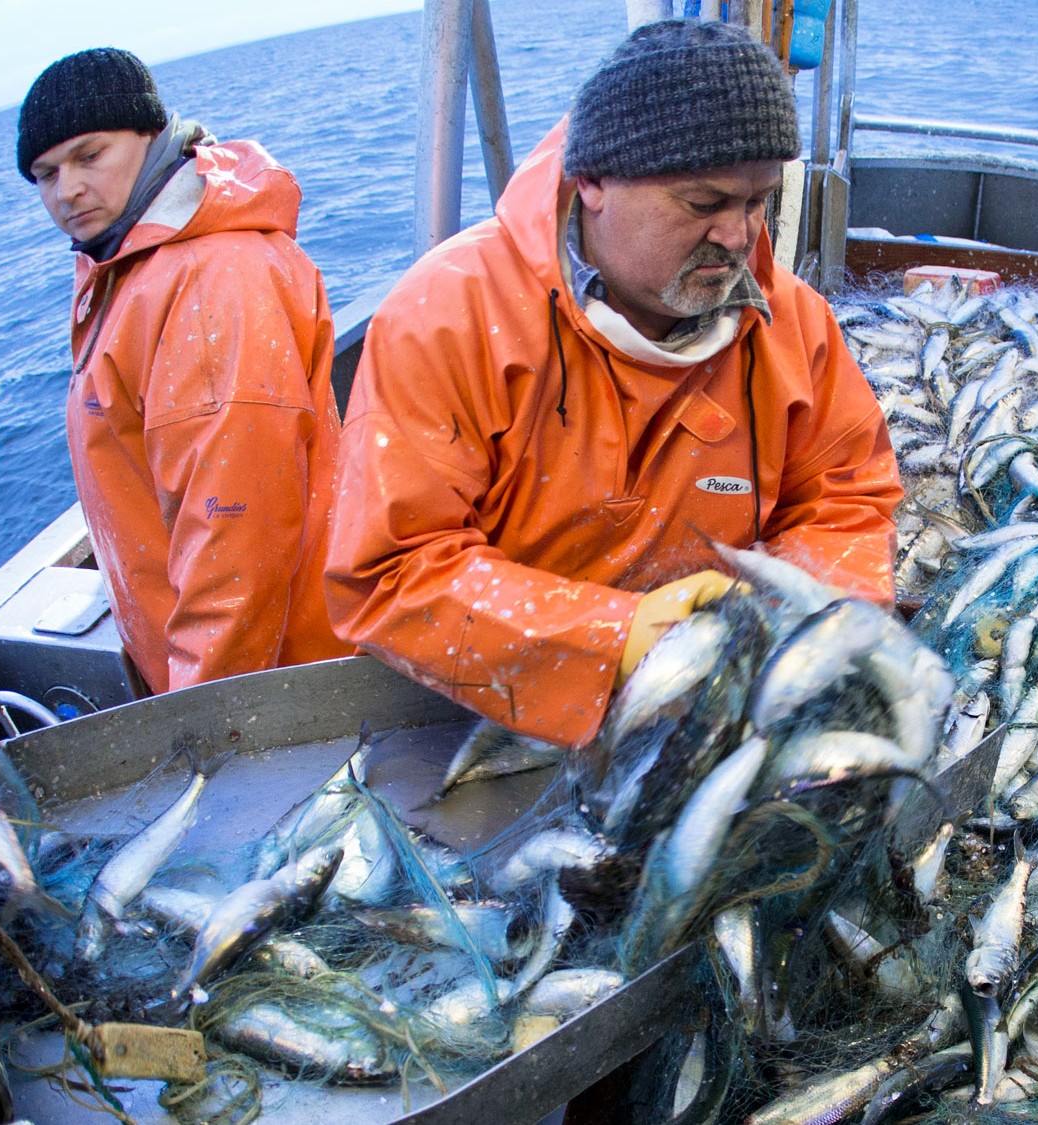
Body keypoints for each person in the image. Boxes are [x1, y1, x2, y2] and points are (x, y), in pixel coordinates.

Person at [326, 19, 904, 747]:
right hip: (480, 714)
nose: (739, 235)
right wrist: (616, 637)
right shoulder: (444, 319)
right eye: (703, 203)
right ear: (593, 181)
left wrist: (803, 633)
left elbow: (845, 500)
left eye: (758, 201)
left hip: (710, 706)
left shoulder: (796, 326)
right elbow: (392, 571)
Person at [17, 48, 352, 693]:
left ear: (152, 137)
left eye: (90, 155)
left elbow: (234, 540)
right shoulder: (134, 263)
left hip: (284, 687)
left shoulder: (206, 283)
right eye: (44, 172)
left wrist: (207, 722)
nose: (67, 190)